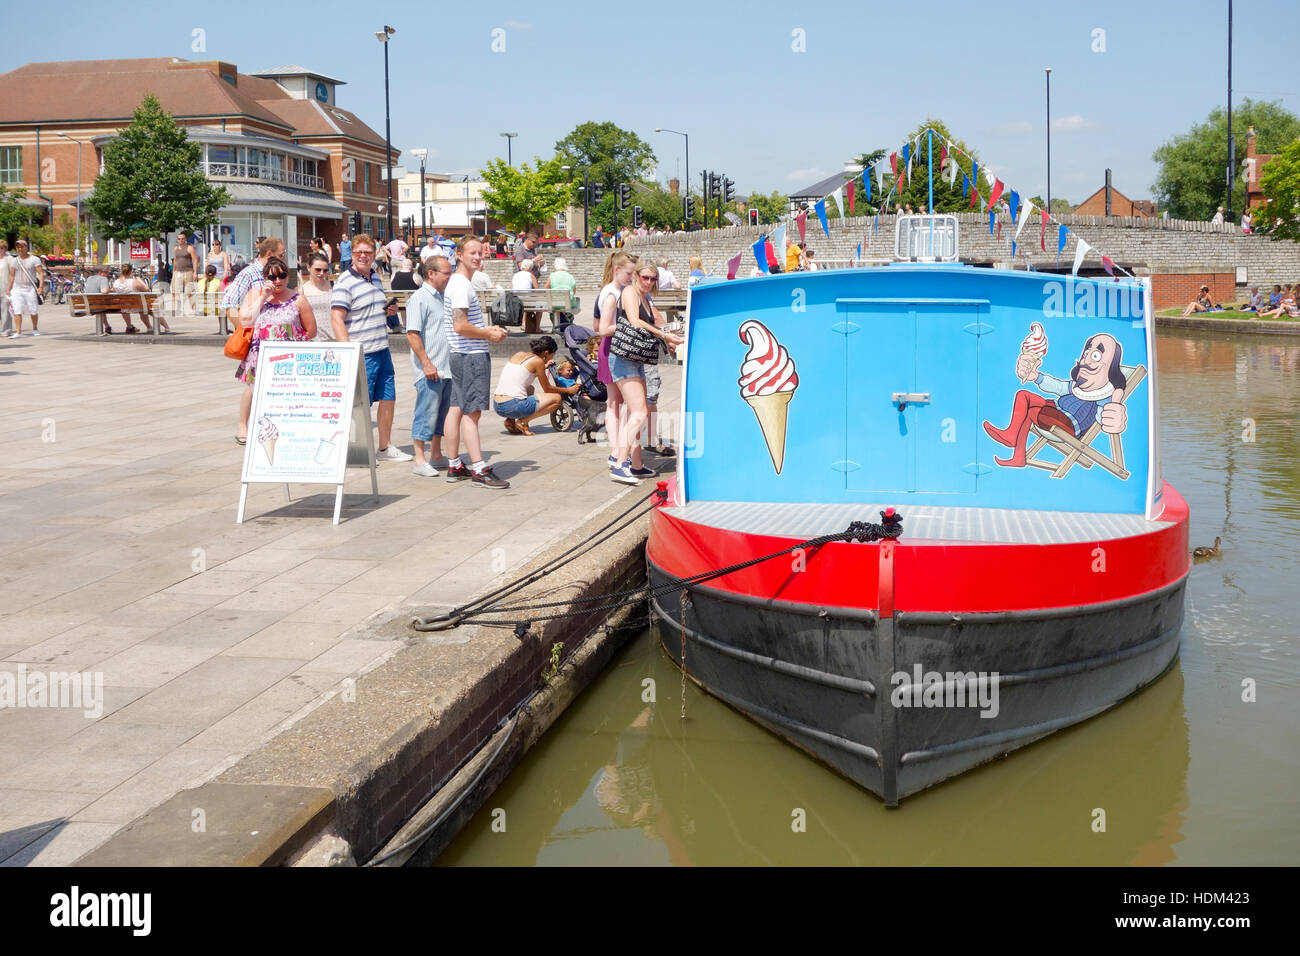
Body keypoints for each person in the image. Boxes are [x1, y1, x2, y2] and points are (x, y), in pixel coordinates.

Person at [330, 234, 410, 461]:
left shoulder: (375, 278)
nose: (363, 256)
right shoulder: (345, 282)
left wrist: (388, 312)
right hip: (361, 351)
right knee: (358, 404)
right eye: (358, 253)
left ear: (374, 254)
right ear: (351, 255)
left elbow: (370, 309)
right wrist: (348, 352)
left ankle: (384, 447)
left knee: (388, 398)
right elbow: (337, 318)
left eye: (367, 252)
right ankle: (356, 449)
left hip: (381, 347)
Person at [443, 236, 510, 488]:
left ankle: (454, 464)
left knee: (456, 407)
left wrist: (485, 328)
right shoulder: (461, 285)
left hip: (459, 354)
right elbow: (460, 325)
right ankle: (479, 468)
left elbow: (460, 324)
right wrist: (489, 333)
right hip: (470, 355)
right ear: (459, 255)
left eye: (480, 253)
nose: (478, 257)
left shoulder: (458, 283)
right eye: (472, 252)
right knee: (472, 413)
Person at [607, 261, 682, 483]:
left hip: (636, 358)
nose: (648, 282)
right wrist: (664, 336)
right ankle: (620, 463)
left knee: (637, 413)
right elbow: (634, 320)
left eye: (653, 279)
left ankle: (637, 465)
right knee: (639, 413)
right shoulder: (630, 291)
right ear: (636, 276)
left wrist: (666, 339)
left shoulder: (647, 299)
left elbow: (654, 325)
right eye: (645, 277)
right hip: (623, 359)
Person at [233, 255, 317, 443]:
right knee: (252, 388)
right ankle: (243, 424)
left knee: (286, 393)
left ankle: (282, 427)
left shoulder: (298, 299)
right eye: (272, 277)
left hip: (288, 356)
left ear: (288, 277)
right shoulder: (255, 294)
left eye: (282, 276)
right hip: (260, 353)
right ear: (265, 278)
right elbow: (245, 320)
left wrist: (292, 339)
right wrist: (263, 296)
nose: (277, 281)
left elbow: (311, 330)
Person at [406, 257, 456, 476]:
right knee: (426, 412)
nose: (449, 276)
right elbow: (412, 333)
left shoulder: (445, 297)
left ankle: (436, 454)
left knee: (441, 414)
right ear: (431, 274)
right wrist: (426, 363)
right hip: (430, 367)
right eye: (446, 272)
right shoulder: (420, 299)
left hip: (447, 366)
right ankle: (419, 459)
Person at [492, 334, 580, 436]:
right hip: (512, 406)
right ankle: (523, 421)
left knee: (530, 388)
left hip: (497, 404)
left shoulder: (519, 354)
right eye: (552, 355)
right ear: (546, 353)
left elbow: (521, 374)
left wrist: (543, 367)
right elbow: (547, 389)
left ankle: (510, 420)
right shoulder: (538, 362)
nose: (552, 357)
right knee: (557, 398)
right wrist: (568, 390)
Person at [223, 236, 285, 333]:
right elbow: (229, 304)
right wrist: (243, 330)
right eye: (281, 255)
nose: (283, 259)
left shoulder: (280, 274)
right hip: (256, 340)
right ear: (269, 254)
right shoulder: (248, 274)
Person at [6, 239, 44, 338]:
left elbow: (40, 273)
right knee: (17, 310)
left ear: (26, 247)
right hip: (17, 289)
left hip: (30, 288)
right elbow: (11, 276)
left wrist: (40, 287)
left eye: (22, 246)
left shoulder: (34, 259)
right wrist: (8, 289)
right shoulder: (14, 261)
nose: (20, 249)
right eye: (18, 247)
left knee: (33, 310)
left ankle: (35, 328)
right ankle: (18, 332)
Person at [113, 263, 163, 333]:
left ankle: (129, 326)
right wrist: (139, 279)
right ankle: (149, 327)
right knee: (144, 307)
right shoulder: (134, 281)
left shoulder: (116, 282)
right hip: (137, 306)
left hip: (124, 307)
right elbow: (147, 289)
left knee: (125, 308)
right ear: (130, 272)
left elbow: (114, 290)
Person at [299, 252, 334, 340]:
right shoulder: (301, 291)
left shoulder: (334, 286)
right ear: (308, 268)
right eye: (318, 270)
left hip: (335, 339)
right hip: (313, 342)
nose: (321, 273)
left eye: (325, 270)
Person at [171, 233, 198, 314]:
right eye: (179, 239)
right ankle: (177, 309)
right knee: (175, 291)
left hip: (188, 271)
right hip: (177, 272)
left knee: (189, 292)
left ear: (185, 239)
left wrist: (195, 272)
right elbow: (175, 261)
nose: (181, 240)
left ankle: (193, 309)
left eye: (182, 238)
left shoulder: (189, 248)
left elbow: (195, 260)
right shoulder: (175, 249)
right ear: (177, 240)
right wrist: (173, 272)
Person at [547, 256, 577, 325]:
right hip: (568, 303)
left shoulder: (552, 276)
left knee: (554, 309)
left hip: (554, 304)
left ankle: (556, 325)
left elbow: (546, 289)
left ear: (555, 265)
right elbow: (574, 290)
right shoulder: (570, 276)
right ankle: (568, 322)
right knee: (569, 305)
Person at [84, 264, 112, 334]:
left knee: (100, 305)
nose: (108, 274)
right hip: (99, 305)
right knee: (124, 307)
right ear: (100, 272)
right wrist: (111, 290)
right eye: (106, 272)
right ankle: (129, 326)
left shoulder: (89, 278)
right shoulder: (103, 279)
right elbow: (104, 291)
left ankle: (107, 326)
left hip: (89, 305)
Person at [0, 240, 15, 337]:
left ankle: (6, 330)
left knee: (5, 311)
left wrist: (10, 289)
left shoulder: (9, 259)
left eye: (2, 248)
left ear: (5, 248)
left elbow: (12, 275)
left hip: (5, 288)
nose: (0, 250)